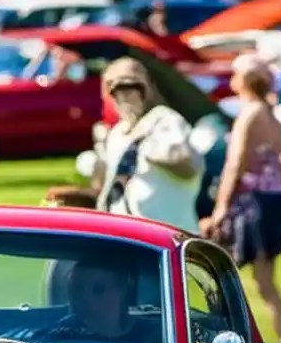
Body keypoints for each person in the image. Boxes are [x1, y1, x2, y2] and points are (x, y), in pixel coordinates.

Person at [203, 53, 281, 343]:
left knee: (221, 273)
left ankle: (235, 337)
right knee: (265, 280)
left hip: (252, 205)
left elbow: (235, 163)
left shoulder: (250, 114)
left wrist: (221, 207)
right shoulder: (268, 113)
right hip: (273, 201)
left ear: (244, 81)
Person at [81, 58, 202, 234]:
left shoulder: (165, 121)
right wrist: (99, 152)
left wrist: (148, 149)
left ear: (149, 86)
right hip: (124, 235)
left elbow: (186, 164)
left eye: (131, 84)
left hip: (166, 236)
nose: (126, 93)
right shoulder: (117, 133)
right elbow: (104, 185)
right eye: (116, 87)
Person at [25, 250, 164, 343]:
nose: (84, 299)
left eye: (98, 290)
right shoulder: (57, 336)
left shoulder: (156, 340)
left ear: (123, 291)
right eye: (77, 289)